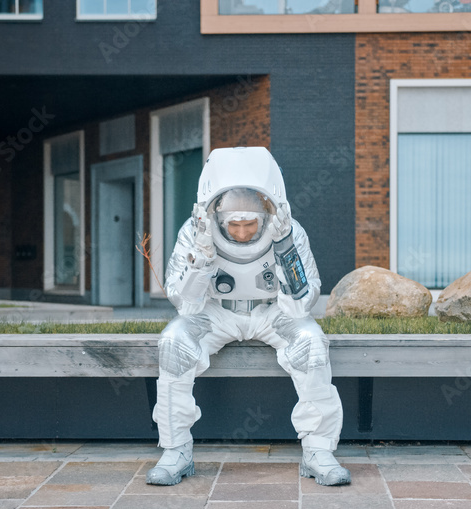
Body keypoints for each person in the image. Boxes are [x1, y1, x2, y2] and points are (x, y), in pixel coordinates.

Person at [146, 146, 350, 487]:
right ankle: (176, 450)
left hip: (272, 312)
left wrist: (284, 248)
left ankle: (319, 450)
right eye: (234, 224)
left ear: (268, 214)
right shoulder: (195, 233)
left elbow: (301, 306)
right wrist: (202, 257)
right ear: (215, 216)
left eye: (250, 223)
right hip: (215, 313)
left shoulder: (289, 232)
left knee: (311, 345)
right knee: (174, 343)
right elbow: (185, 305)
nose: (242, 232)